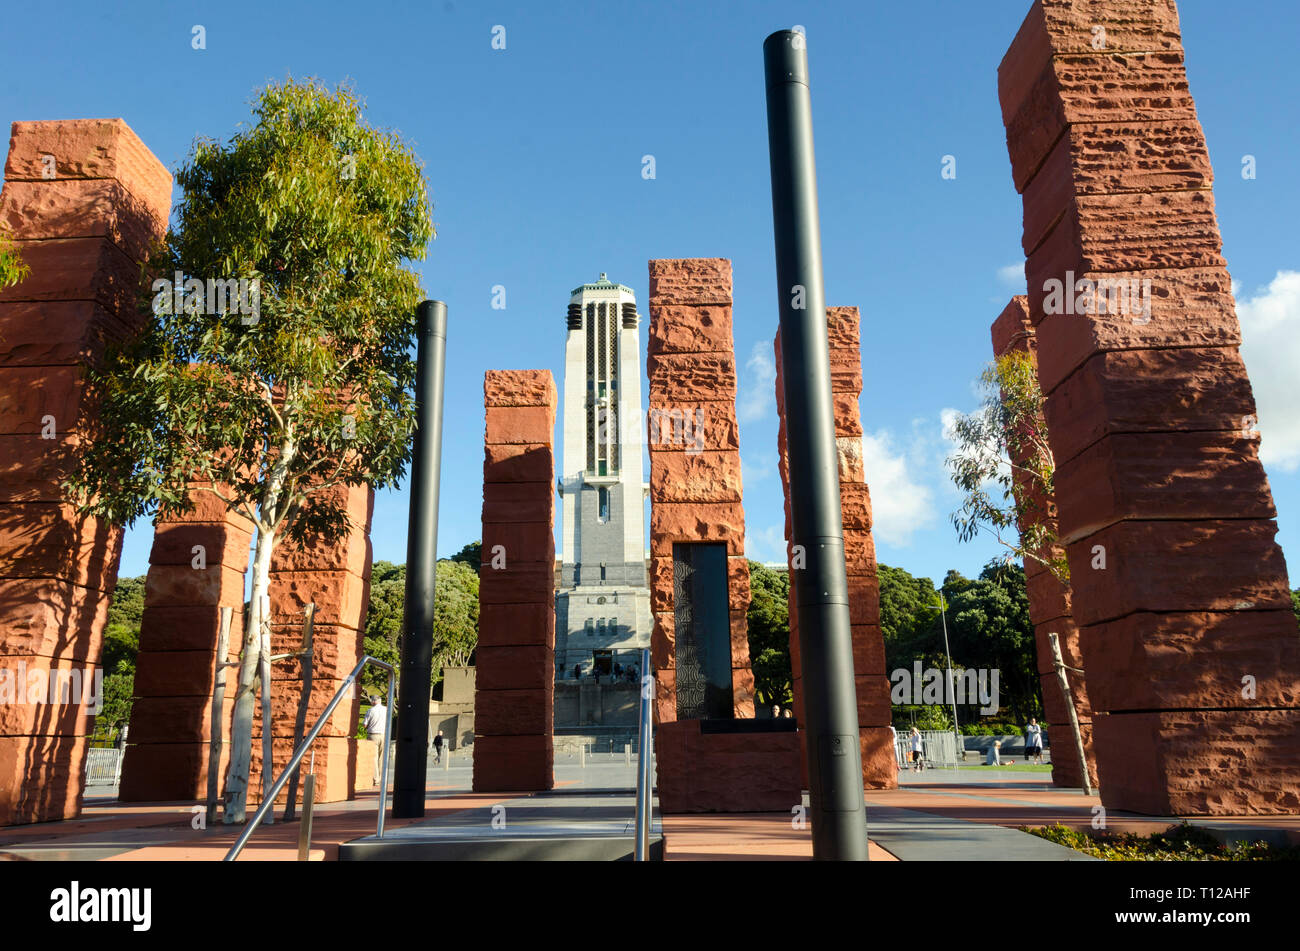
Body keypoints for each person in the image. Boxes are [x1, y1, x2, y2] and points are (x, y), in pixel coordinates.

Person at [363, 697, 388, 785]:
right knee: (382, 757)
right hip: (384, 735)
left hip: (373, 735)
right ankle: (381, 778)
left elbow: (365, 725)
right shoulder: (386, 710)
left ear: (374, 701)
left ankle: (376, 779)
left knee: (374, 758)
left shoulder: (370, 711)